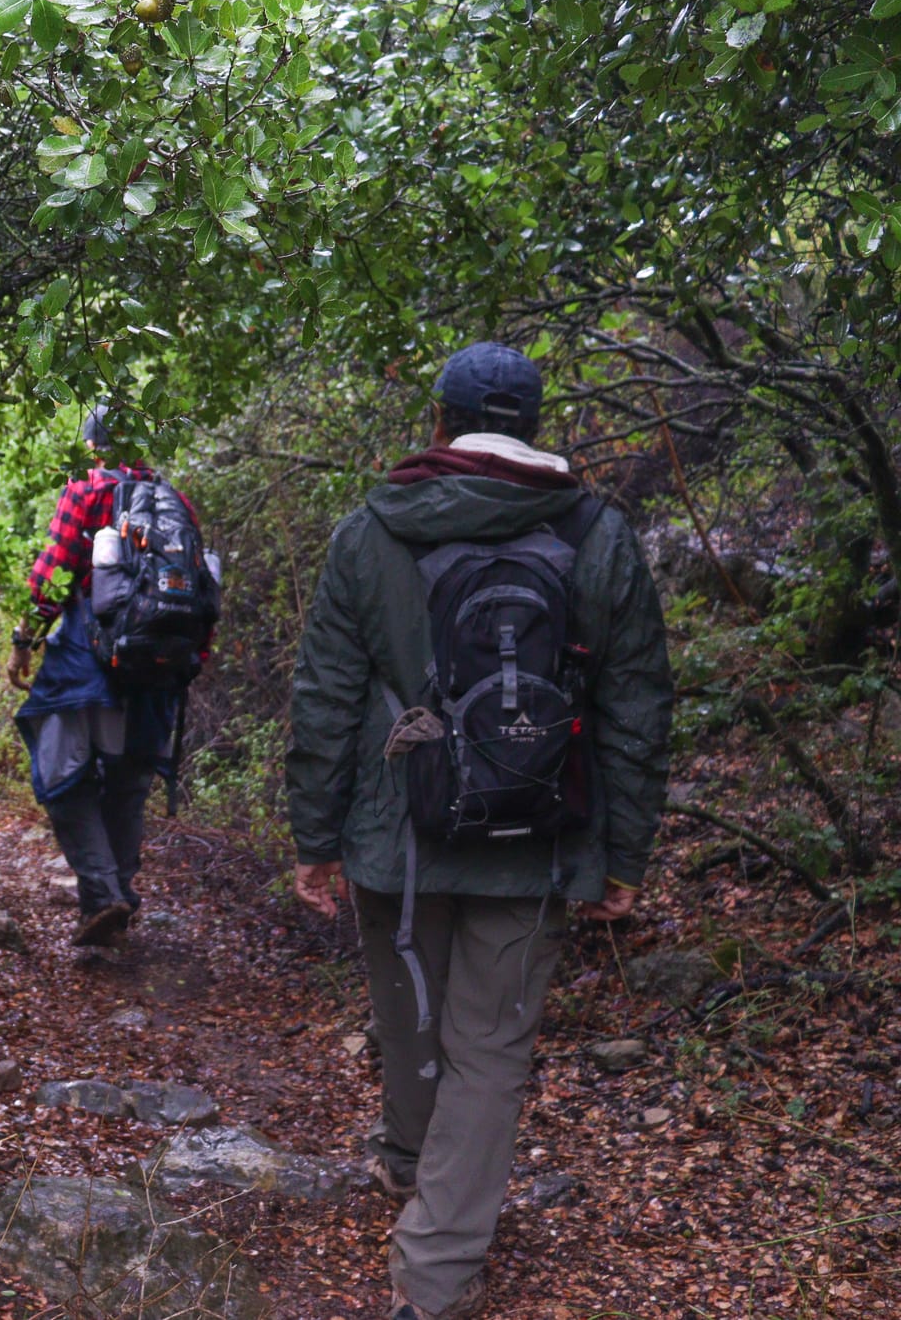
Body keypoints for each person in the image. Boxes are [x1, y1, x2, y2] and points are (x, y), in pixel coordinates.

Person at [285, 343, 674, 1320]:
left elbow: (326, 696)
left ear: (437, 420)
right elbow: (634, 706)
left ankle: (411, 1169)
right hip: (536, 833)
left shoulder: (371, 532)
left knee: (408, 1010)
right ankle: (436, 1265)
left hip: (393, 830)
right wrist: (621, 857)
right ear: (535, 425)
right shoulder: (595, 536)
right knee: (488, 1052)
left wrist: (315, 838)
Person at [9, 407, 188, 948]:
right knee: (129, 781)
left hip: (87, 665)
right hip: (157, 668)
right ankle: (118, 896)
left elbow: (53, 575)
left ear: (93, 446)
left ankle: (103, 893)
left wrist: (24, 641)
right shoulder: (172, 500)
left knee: (61, 775)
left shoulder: (86, 489)